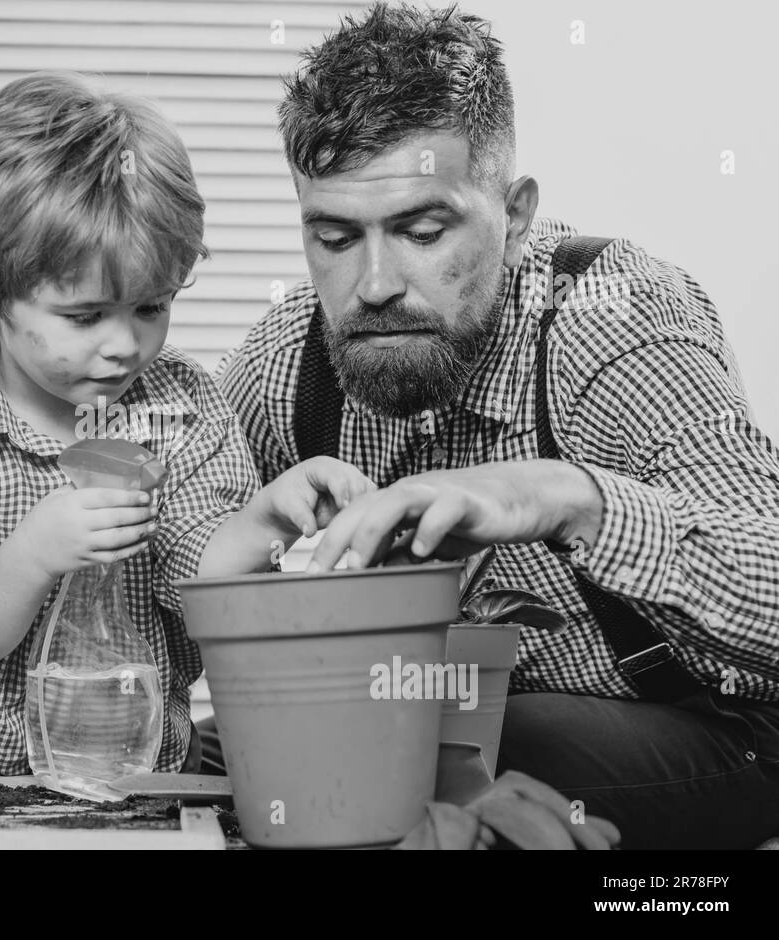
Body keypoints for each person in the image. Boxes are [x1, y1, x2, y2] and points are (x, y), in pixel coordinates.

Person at [216, 2, 779, 848]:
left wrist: (561, 497)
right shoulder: (286, 363)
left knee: (483, 749)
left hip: (712, 727)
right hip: (433, 721)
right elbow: (184, 579)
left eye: (421, 230)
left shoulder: (616, 320)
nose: (372, 286)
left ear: (513, 217)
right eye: (335, 236)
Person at [0, 71, 370, 778]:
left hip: (138, 765)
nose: (124, 344)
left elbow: (201, 579)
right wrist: (31, 556)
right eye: (85, 316)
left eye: (151, 307)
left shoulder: (186, 411)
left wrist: (267, 519)